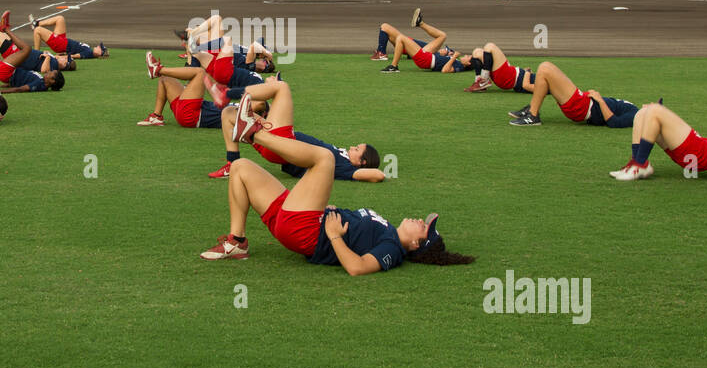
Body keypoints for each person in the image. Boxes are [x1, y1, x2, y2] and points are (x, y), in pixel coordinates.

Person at [201, 104, 474, 271]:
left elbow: (358, 268)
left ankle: (254, 132)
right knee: (242, 168)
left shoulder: (392, 248)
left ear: (416, 244)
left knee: (324, 159)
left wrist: (333, 236)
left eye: (424, 227)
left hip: (308, 231)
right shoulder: (388, 229)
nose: (419, 220)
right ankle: (236, 242)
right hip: (303, 221)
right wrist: (335, 211)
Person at [212, 80, 386, 182]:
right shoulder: (343, 160)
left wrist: (374, 173)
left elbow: (377, 175)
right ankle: (232, 164)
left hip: (284, 145)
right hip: (277, 144)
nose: (352, 147)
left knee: (282, 87)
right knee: (228, 114)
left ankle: (228, 93)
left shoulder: (347, 168)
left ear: (363, 162)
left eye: (357, 149)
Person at [508, 61, 639, 127]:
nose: (650, 104)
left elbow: (614, 122)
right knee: (544, 75)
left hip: (582, 107)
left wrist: (600, 100)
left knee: (545, 67)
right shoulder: (635, 111)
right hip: (582, 104)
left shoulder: (636, 115)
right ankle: (532, 110)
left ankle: (533, 116)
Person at [137, 52, 230, 128]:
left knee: (201, 73)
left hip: (192, 116)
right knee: (165, 79)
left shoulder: (238, 115)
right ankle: (156, 117)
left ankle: (158, 70)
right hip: (190, 110)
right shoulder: (239, 107)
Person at [0, 24, 66, 92]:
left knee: (26, 49)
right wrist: (9, 84)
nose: (48, 72)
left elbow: (21, 89)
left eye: (51, 73)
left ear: (52, 81)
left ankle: (6, 30)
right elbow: (23, 80)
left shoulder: (40, 84)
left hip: (7, 72)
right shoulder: (41, 81)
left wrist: (0, 91)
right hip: (7, 73)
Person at [378, 9, 462, 73]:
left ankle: (392, 64)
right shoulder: (454, 60)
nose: (466, 56)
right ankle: (420, 23)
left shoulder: (459, 65)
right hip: (425, 53)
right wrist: (451, 56)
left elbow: (445, 70)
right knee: (443, 35)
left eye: (447, 51)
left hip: (425, 57)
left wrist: (453, 56)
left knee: (398, 36)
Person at [464, 41, 537, 94]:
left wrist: (527, 73)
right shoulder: (543, 82)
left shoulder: (543, 87)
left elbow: (526, 86)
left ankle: (484, 80)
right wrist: (526, 72)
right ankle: (479, 81)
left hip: (508, 78)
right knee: (477, 52)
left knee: (490, 46)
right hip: (510, 76)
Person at [29, 12, 108, 59]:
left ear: (100, 53)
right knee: (60, 19)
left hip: (61, 45)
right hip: (63, 40)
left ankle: (37, 55)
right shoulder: (89, 50)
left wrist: (62, 56)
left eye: (100, 47)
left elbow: (77, 56)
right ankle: (36, 23)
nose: (98, 46)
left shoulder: (90, 53)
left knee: (38, 30)